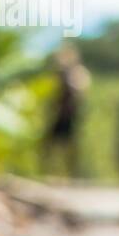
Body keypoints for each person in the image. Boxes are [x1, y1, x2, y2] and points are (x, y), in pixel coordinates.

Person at [45, 45, 89, 178]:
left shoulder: (78, 73)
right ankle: (51, 171)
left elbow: (80, 92)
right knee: (50, 144)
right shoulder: (59, 73)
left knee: (70, 145)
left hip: (70, 114)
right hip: (58, 114)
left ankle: (71, 173)